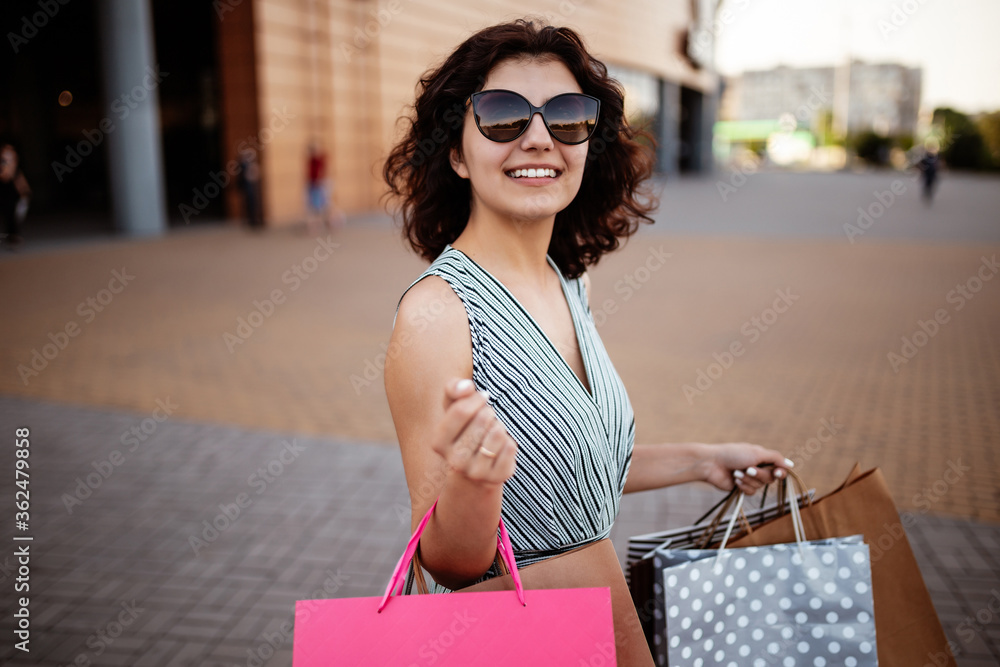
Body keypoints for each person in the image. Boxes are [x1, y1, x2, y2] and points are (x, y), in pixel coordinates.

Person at [382, 19, 792, 663]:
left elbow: (573, 476)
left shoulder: (568, 279)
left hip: (606, 632)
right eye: (502, 116)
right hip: (529, 644)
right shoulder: (437, 314)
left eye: (567, 117)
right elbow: (450, 567)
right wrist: (474, 483)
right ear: (456, 152)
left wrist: (705, 460)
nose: (539, 138)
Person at [305, 141, 345, 236]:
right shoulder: (311, 160)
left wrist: (321, 183)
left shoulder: (320, 159)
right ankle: (317, 226)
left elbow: (323, 172)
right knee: (316, 207)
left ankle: (335, 220)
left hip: (320, 185)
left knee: (325, 205)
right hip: (314, 184)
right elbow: (310, 173)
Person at [0, 144, 31, 250]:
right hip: (5, 190)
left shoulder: (15, 166)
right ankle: (11, 236)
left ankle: (13, 235)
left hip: (13, 192)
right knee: (8, 213)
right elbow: (5, 176)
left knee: (14, 214)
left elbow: (18, 177)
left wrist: (24, 190)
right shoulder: (4, 164)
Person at [236, 146, 264, 230]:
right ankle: (251, 220)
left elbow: (256, 176)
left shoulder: (252, 164)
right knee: (249, 204)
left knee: (255, 204)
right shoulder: (243, 165)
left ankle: (255, 220)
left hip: (253, 186)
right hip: (248, 186)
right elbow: (242, 177)